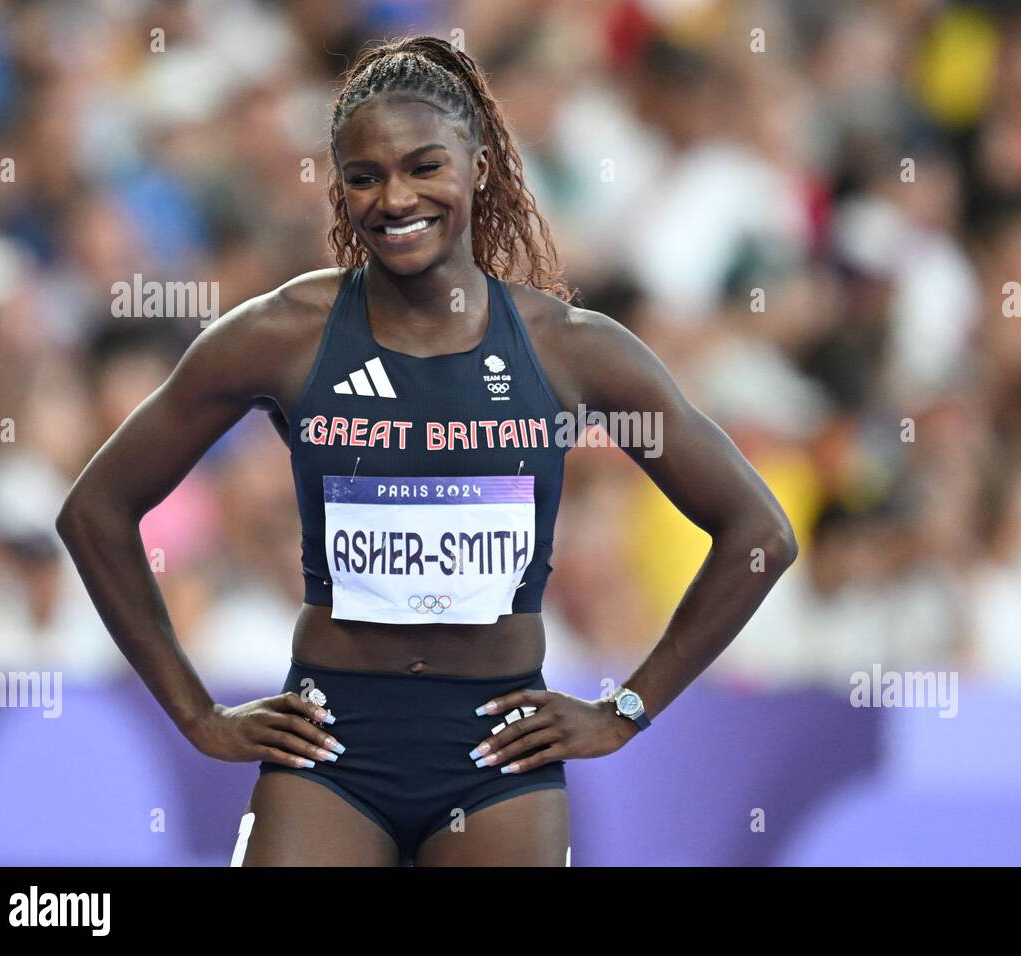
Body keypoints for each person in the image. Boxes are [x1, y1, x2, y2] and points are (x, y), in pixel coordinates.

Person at [56, 36, 798, 867]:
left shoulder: (572, 351)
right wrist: (195, 715)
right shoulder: (280, 337)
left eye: (423, 167)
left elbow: (759, 535)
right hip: (329, 751)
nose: (394, 198)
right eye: (364, 176)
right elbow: (94, 512)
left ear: (479, 167)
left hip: (496, 760)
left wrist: (627, 708)